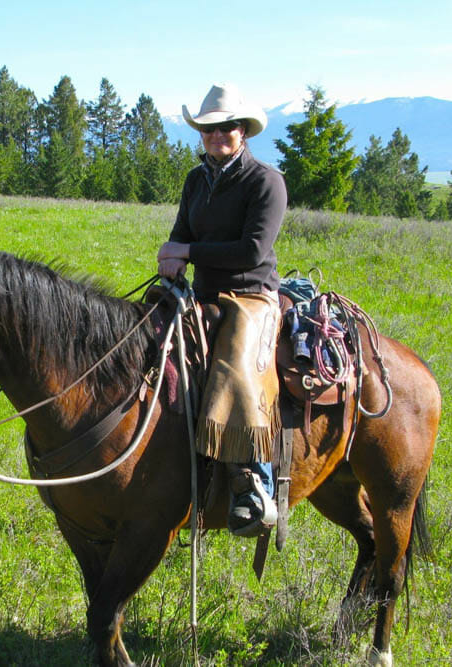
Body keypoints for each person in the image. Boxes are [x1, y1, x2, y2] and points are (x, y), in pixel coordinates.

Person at [157, 83, 287, 537]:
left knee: (236, 364)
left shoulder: (266, 181)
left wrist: (187, 251)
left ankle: (254, 483)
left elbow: (252, 251)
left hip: (251, 294)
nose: (216, 135)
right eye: (208, 128)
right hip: (203, 292)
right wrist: (173, 258)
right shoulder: (197, 180)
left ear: (243, 131)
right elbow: (181, 232)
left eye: (226, 127)